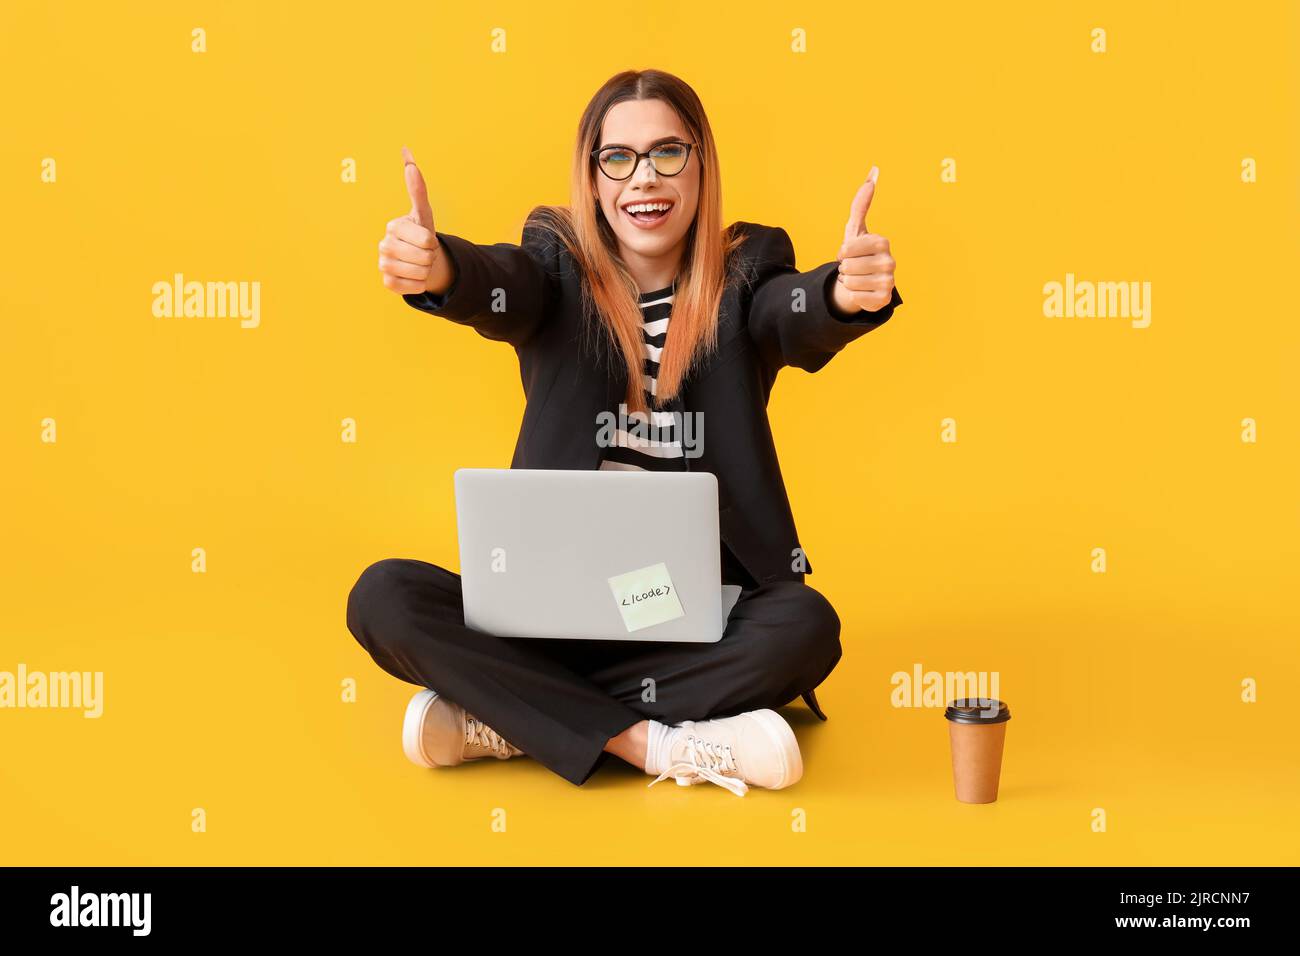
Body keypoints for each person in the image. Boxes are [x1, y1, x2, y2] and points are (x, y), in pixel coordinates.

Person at [347, 68, 902, 796]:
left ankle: (513, 717)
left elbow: (787, 313)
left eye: (668, 152)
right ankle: (660, 745)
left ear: (701, 165)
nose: (645, 177)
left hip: (695, 613)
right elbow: (498, 283)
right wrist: (444, 267)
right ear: (595, 176)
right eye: (619, 158)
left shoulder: (749, 267)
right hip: (553, 612)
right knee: (383, 597)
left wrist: (839, 294)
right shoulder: (554, 261)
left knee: (805, 625)